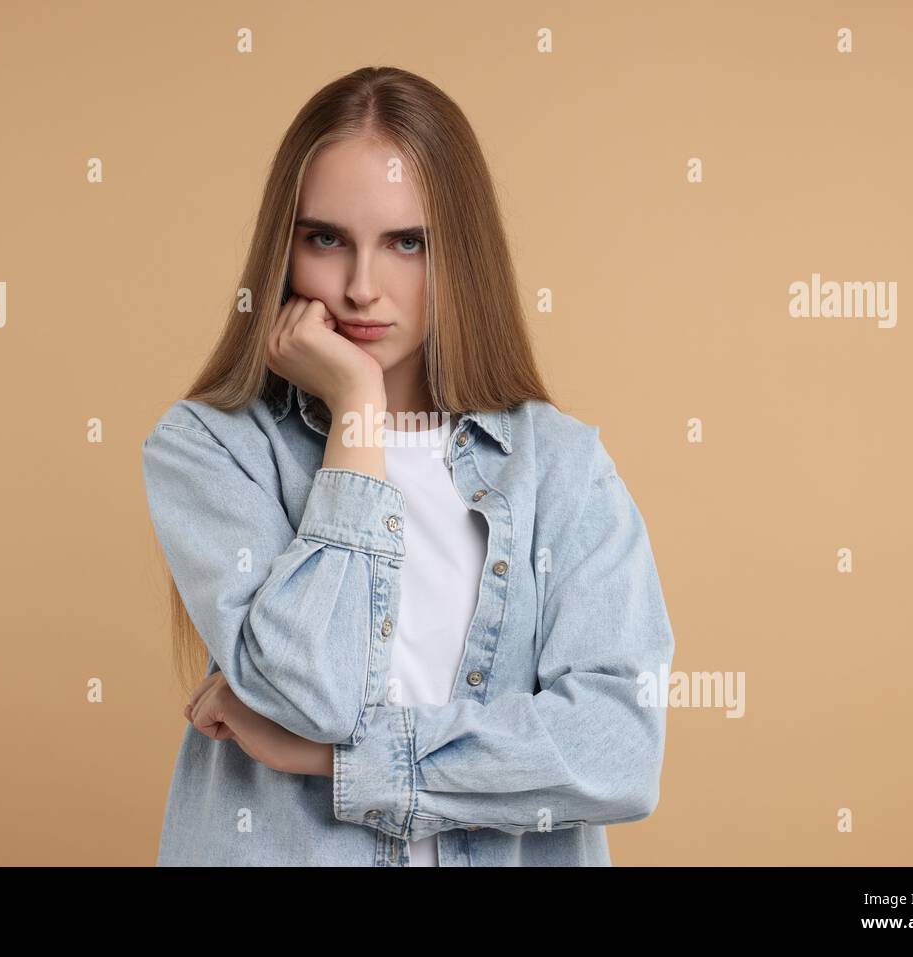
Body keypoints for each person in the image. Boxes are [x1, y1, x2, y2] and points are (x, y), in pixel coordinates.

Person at [141, 66, 675, 866]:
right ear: (281, 249)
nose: (362, 288)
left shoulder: (559, 468)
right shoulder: (212, 448)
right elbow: (308, 690)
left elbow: (618, 750)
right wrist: (357, 408)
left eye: (406, 243)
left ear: (458, 251)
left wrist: (343, 762)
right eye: (325, 238)